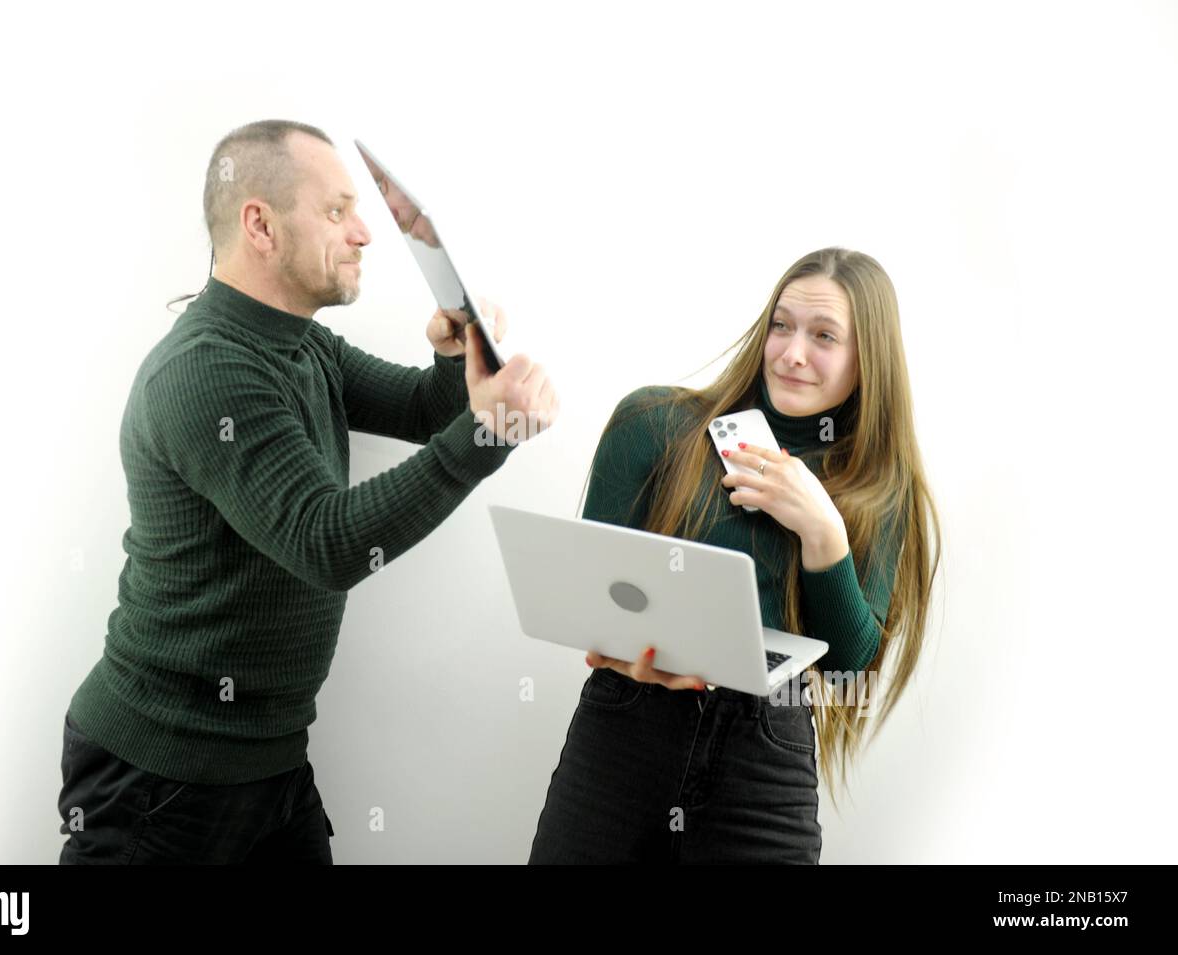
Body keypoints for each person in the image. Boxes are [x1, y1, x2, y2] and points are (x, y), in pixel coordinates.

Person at [58, 119, 558, 864]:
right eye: (336, 211)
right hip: (159, 778)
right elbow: (328, 543)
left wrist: (455, 363)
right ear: (259, 223)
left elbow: (423, 410)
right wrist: (486, 436)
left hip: (269, 763)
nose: (363, 233)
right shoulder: (206, 371)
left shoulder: (301, 344)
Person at [528, 247, 940, 864]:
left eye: (824, 335)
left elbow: (852, 663)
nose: (792, 353)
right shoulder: (653, 424)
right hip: (626, 733)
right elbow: (597, 596)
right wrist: (626, 650)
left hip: (764, 754)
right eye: (781, 325)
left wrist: (824, 535)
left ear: (868, 358)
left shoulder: (879, 486)